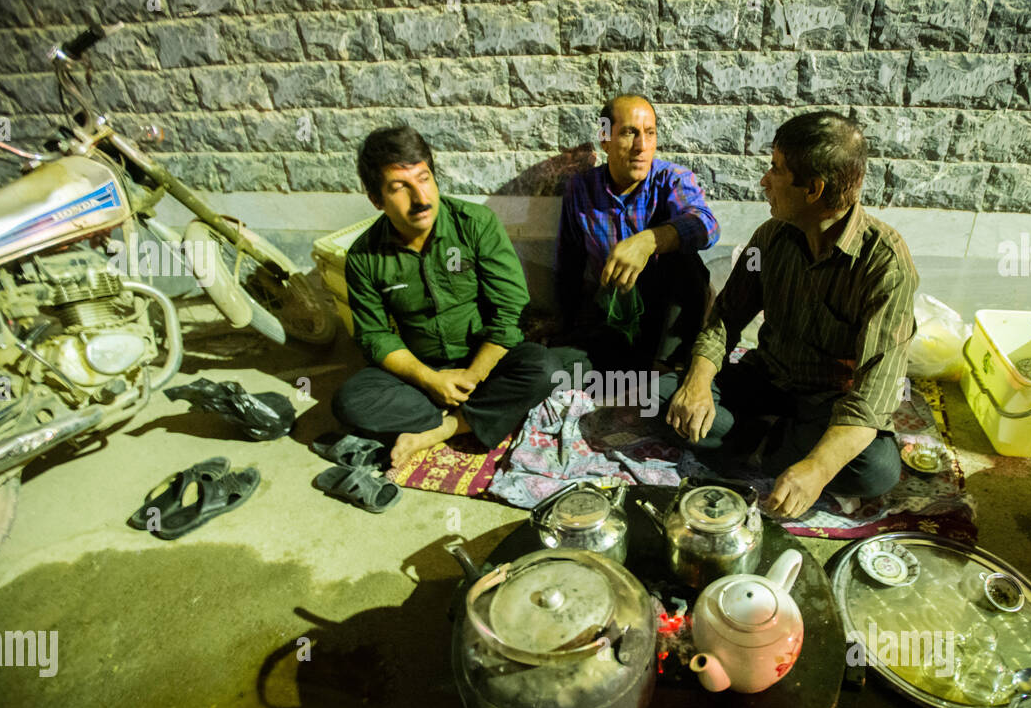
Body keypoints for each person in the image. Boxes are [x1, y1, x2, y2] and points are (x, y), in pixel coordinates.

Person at [663, 111, 918, 519]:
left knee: (876, 471)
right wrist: (697, 381)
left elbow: (873, 398)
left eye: (776, 169)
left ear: (813, 189)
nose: (764, 180)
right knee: (668, 399)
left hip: (829, 405)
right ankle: (771, 445)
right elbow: (725, 318)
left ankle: (756, 445)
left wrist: (818, 468)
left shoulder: (885, 265)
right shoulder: (770, 237)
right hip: (766, 378)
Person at [332, 126, 559, 468]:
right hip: (420, 369)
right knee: (350, 401)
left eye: (424, 179)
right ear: (377, 200)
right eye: (400, 187)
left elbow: (510, 310)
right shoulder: (364, 256)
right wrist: (430, 379)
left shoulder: (475, 224)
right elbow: (374, 336)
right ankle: (477, 412)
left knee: (545, 368)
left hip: (485, 360)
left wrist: (473, 377)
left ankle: (442, 427)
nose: (420, 197)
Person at [552, 93, 720, 373]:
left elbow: (707, 225)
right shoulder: (581, 189)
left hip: (669, 320)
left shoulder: (672, 179)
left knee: (683, 256)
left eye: (649, 133)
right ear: (605, 139)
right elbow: (569, 263)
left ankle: (668, 365)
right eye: (630, 133)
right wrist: (564, 324)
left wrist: (649, 241)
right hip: (615, 313)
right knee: (551, 368)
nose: (641, 146)